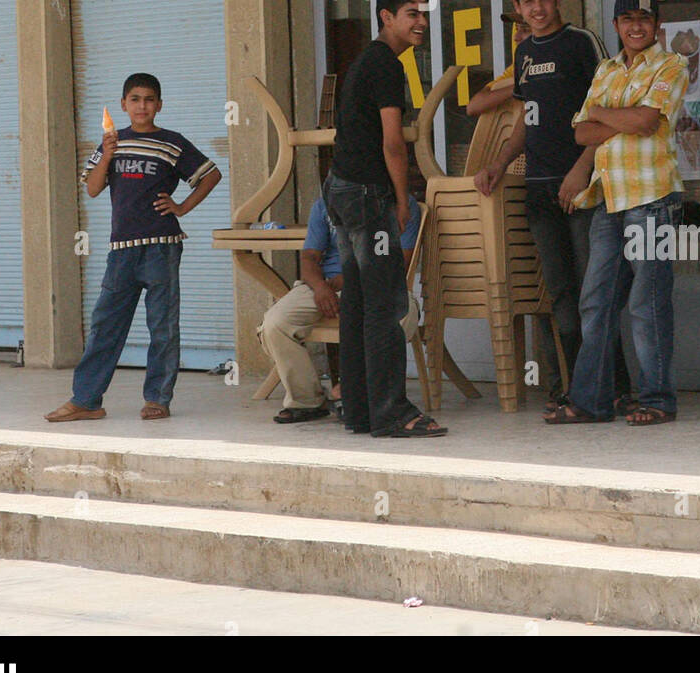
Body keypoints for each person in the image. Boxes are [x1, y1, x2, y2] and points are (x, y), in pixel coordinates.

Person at [473, 0, 618, 406]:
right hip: (537, 190)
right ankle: (577, 389)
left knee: (595, 294)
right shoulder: (524, 54)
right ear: (518, 9)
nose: (537, 9)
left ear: (557, 1)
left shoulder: (582, 42)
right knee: (560, 296)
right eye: (528, 2)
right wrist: (500, 163)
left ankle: (610, 389)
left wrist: (581, 169)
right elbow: (524, 117)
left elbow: (606, 111)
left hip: (581, 187)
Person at [547, 0, 689, 427]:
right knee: (596, 301)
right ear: (615, 25)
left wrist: (606, 115)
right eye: (627, 18)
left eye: (644, 18)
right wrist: (621, 115)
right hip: (608, 196)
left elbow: (647, 122)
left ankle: (657, 399)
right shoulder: (606, 69)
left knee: (647, 303)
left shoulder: (671, 63)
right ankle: (591, 399)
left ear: (657, 25)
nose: (636, 25)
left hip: (653, 199)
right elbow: (580, 134)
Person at [45, 74, 221, 422]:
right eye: (135, 99)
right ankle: (86, 400)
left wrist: (182, 207)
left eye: (150, 99)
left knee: (162, 326)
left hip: (161, 247)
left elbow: (210, 174)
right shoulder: (112, 141)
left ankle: (157, 398)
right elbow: (93, 188)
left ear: (159, 104)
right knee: (106, 323)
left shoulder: (172, 143)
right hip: (121, 249)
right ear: (123, 104)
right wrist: (108, 155)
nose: (143, 106)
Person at [323, 0, 446, 436]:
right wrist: (400, 199)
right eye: (412, 14)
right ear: (387, 18)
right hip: (366, 194)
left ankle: (359, 411)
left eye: (424, 14)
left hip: (341, 189)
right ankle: (392, 412)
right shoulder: (388, 66)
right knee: (386, 305)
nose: (421, 22)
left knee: (356, 304)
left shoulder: (365, 63)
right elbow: (393, 143)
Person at [260, 193, 422, 423]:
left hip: (376, 282)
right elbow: (309, 258)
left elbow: (398, 261)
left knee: (402, 315)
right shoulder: (325, 204)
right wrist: (319, 288)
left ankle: (351, 390)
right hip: (326, 283)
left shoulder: (399, 204)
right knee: (276, 322)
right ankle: (307, 401)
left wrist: (349, 281)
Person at [466, 12, 527, 117]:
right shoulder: (518, 69)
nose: (516, 37)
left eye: (526, 30)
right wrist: (520, 87)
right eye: (517, 29)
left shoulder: (560, 62)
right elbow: (474, 106)